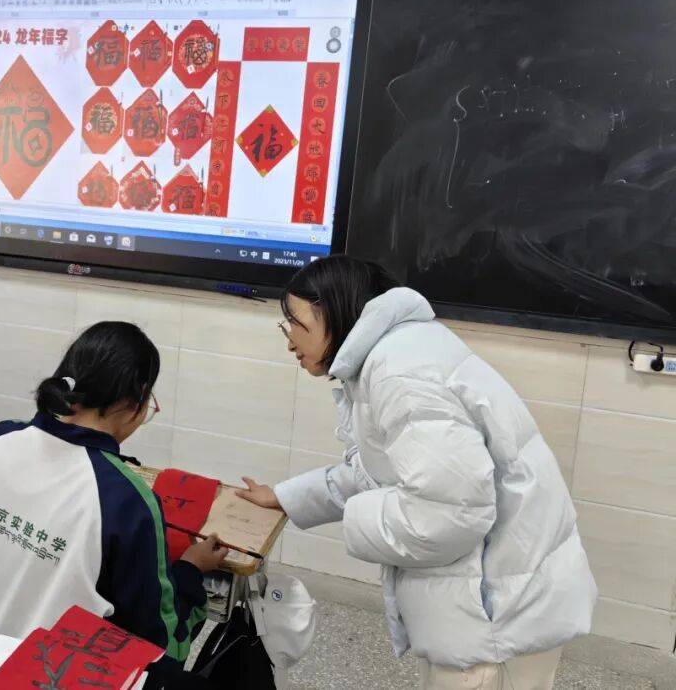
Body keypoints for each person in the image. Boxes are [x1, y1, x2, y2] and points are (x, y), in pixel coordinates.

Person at [238, 256, 596, 690]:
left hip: (495, 619)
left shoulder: (400, 373)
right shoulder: (394, 354)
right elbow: (379, 475)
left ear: (334, 310)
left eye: (294, 323)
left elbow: (448, 514)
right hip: (494, 598)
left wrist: (357, 520)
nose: (289, 340)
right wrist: (285, 496)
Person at [0, 321, 227, 689]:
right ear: (134, 402)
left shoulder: (0, 438)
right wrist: (192, 573)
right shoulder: (125, 498)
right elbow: (159, 643)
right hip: (25, 681)